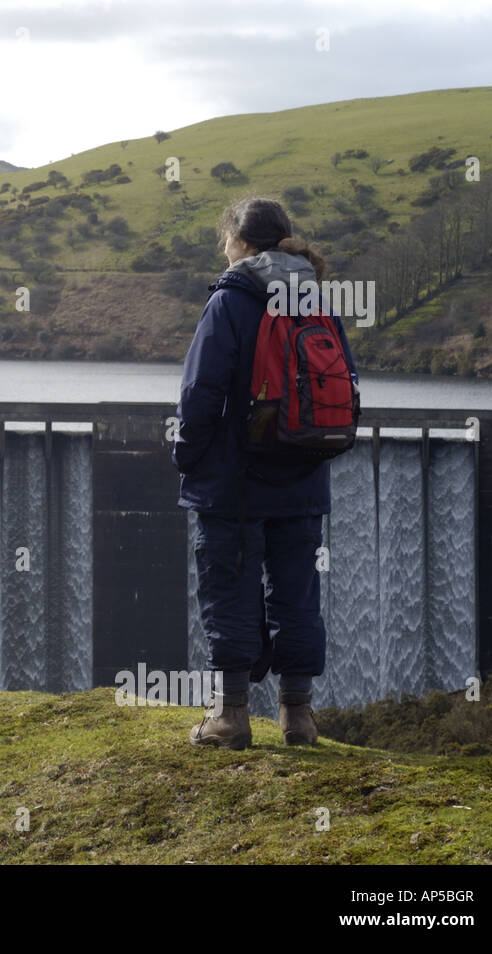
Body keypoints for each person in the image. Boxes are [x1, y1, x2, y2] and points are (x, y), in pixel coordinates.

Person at [173, 196, 359, 750]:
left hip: (235, 480)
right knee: (297, 592)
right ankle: (298, 717)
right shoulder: (316, 299)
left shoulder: (231, 299)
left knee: (229, 586)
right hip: (303, 474)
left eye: (226, 240)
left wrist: (189, 456)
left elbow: (201, 392)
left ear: (241, 242)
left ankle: (230, 718)